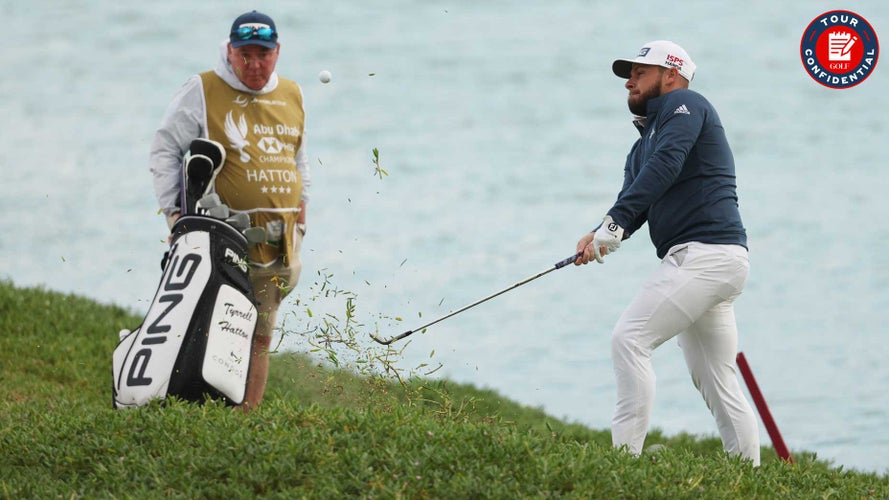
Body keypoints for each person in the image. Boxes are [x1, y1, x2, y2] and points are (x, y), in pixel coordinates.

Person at [574, 40, 760, 465]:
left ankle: (624, 464)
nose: (629, 81)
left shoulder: (686, 105)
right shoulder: (641, 147)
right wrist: (597, 233)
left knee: (629, 339)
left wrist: (613, 223)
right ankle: (749, 478)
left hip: (706, 256)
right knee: (717, 382)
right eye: (628, 73)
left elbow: (668, 164)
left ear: (671, 74)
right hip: (713, 262)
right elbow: (634, 202)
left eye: (640, 72)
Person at [149, 10, 310, 411]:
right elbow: (165, 148)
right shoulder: (203, 89)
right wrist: (174, 214)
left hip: (280, 244)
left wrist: (302, 204)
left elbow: (299, 155)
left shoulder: (292, 93)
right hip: (224, 240)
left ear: (277, 52)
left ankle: (245, 418)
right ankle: (193, 411)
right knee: (215, 331)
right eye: (245, 55)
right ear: (230, 51)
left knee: (261, 335)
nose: (254, 64)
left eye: (263, 54)